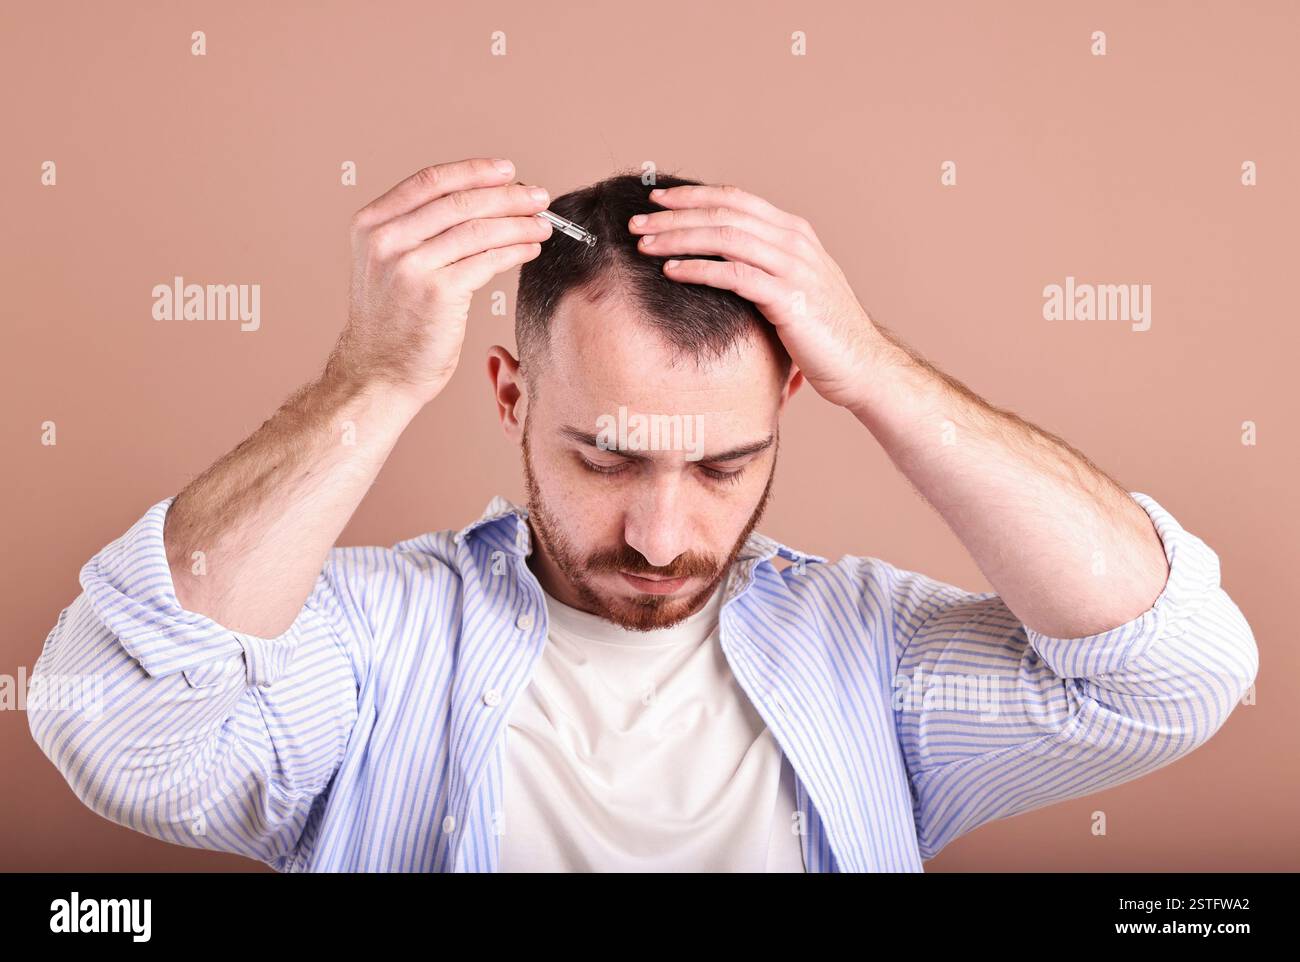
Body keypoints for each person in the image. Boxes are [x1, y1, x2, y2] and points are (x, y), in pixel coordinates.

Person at [28, 158, 1258, 872]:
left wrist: (877, 369)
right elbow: (123, 728)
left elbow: (1173, 673)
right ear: (509, 391)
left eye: (724, 465)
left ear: (788, 401)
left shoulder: (869, 658)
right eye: (608, 458)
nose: (664, 538)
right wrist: (373, 377)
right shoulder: (369, 636)